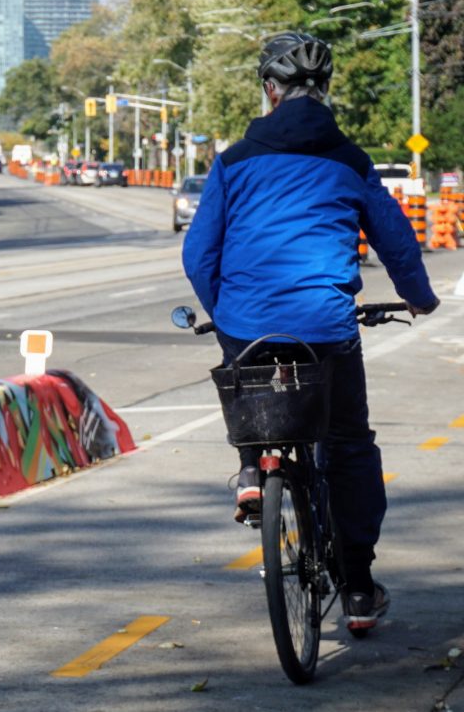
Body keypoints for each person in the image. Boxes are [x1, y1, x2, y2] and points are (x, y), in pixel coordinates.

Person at [181, 32, 439, 633]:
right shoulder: (349, 160)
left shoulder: (235, 159)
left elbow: (199, 256)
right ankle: (356, 589)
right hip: (326, 329)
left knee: (248, 378)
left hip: (245, 325)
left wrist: (229, 310)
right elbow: (396, 241)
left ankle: (252, 470)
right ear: (323, 91)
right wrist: (420, 300)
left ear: (270, 92)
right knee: (348, 444)